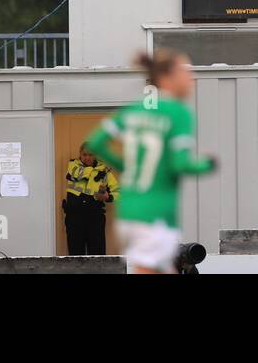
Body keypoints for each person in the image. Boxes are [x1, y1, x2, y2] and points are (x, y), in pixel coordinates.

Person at [85, 49, 216, 274]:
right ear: (167, 77)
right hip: (155, 213)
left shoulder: (132, 111)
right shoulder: (177, 112)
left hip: (129, 210)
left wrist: (125, 165)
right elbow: (179, 163)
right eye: (185, 71)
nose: (191, 78)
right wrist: (207, 164)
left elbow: (95, 143)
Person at [63, 142, 120, 256]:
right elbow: (79, 174)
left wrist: (108, 197)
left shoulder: (105, 172)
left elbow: (118, 192)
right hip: (75, 217)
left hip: (95, 218)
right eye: (85, 155)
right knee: (75, 254)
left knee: (97, 254)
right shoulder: (73, 165)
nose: (88, 157)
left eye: (91, 154)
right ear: (80, 154)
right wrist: (97, 171)